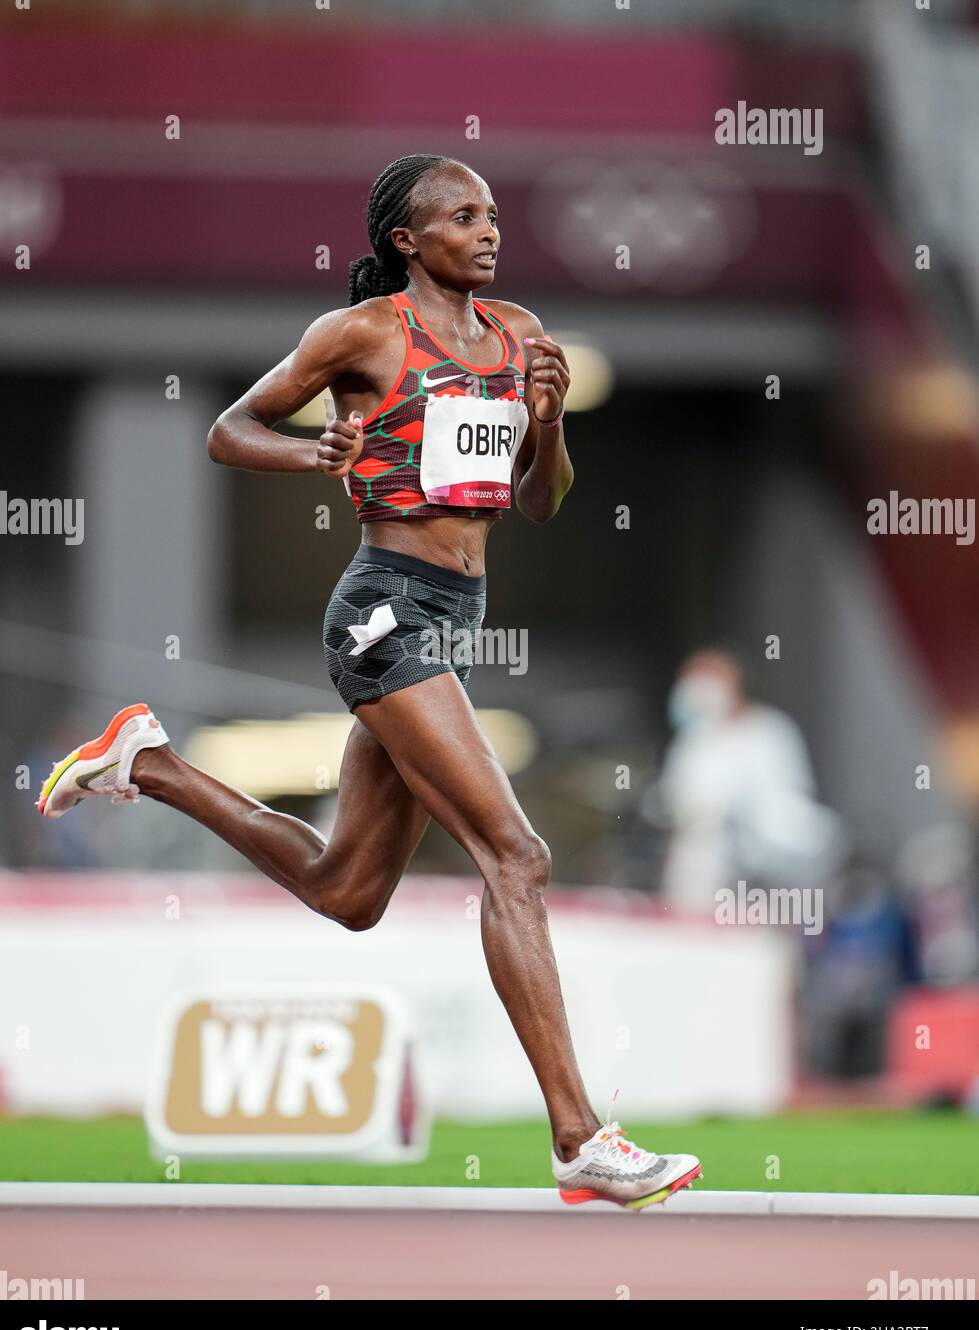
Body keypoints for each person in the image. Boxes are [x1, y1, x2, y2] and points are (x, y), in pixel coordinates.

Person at [36, 154, 701, 1209]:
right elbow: (228, 430)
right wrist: (318, 456)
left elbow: (540, 504)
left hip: (456, 617)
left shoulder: (521, 333)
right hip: (385, 611)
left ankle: (149, 764)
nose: (489, 232)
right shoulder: (366, 334)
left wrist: (552, 422)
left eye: (492, 215)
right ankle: (579, 1136)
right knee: (514, 853)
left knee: (349, 893)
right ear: (407, 237)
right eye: (463, 217)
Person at [658, 647, 845, 912]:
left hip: (766, 880)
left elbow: (785, 811)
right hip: (700, 881)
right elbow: (677, 812)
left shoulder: (770, 733)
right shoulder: (692, 745)